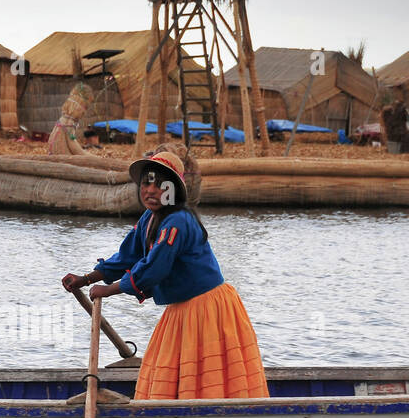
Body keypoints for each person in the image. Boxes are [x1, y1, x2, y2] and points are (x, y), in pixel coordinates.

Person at [61, 150, 269, 401]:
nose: (151, 190)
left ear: (173, 191)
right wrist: (87, 279)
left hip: (207, 308)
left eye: (160, 185)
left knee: (206, 375)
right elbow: (127, 256)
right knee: (167, 370)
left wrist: (108, 290)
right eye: (146, 183)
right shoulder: (150, 218)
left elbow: (153, 269)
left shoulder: (177, 222)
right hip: (183, 309)